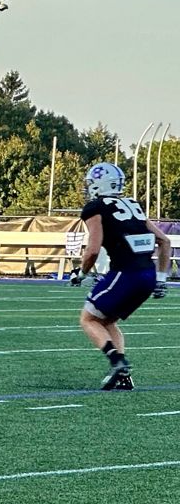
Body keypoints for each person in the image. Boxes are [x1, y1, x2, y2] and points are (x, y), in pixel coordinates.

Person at [70, 163, 171, 391]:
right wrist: (162, 279)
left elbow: (93, 249)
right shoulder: (133, 204)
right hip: (148, 275)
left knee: (88, 319)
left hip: (126, 273)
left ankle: (117, 362)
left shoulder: (95, 207)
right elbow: (165, 241)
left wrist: (81, 273)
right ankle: (124, 377)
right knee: (108, 321)